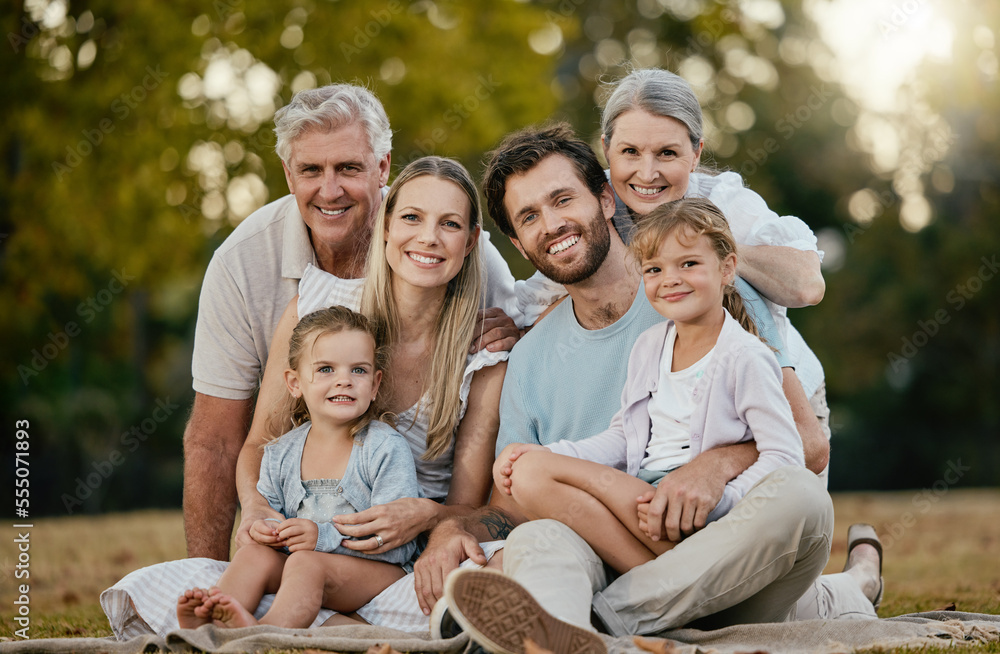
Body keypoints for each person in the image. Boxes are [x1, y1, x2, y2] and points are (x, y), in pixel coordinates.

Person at [418, 123, 878, 652]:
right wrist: (459, 529)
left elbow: (809, 445)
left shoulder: (704, 291)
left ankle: (601, 625)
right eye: (529, 217)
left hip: (727, 552)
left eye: (563, 198)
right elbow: (513, 502)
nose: (552, 224)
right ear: (520, 245)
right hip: (615, 551)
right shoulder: (530, 359)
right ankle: (564, 636)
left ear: (606, 199)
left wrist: (716, 464)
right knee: (539, 537)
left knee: (802, 501)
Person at [102, 156, 508, 638]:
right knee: (170, 578)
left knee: (482, 584)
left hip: (398, 563)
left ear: (472, 243)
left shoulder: (483, 359)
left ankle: (293, 627)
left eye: (450, 224)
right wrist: (256, 511)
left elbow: (467, 506)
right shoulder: (319, 316)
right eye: (412, 218)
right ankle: (251, 615)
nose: (428, 238)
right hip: (298, 548)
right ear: (384, 227)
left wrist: (425, 514)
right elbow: (261, 444)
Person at [183, 83, 519, 561]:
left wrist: (517, 336)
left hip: (413, 541)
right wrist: (219, 559)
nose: (330, 190)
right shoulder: (251, 268)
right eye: (311, 170)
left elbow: (523, 340)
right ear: (287, 173)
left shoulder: (458, 252)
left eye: (348, 168)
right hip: (305, 525)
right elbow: (218, 438)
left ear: (383, 168)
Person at [491, 198, 806, 576]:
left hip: (699, 514)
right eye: (654, 269)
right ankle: (663, 580)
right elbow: (625, 435)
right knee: (529, 471)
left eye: (688, 264)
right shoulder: (651, 346)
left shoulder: (746, 357)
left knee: (532, 475)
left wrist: (725, 501)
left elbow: (785, 455)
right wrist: (558, 453)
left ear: (727, 268)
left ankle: (651, 587)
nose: (670, 279)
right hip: (645, 500)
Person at [177, 306, 420, 630]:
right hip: (302, 567)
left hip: (375, 571)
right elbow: (266, 513)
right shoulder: (280, 453)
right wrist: (263, 531)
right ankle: (213, 621)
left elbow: (398, 543)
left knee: (306, 563)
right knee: (254, 557)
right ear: (294, 383)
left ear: (375, 385)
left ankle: (267, 632)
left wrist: (321, 537)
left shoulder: (384, 448)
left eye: (358, 371)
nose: (344, 381)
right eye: (326, 369)